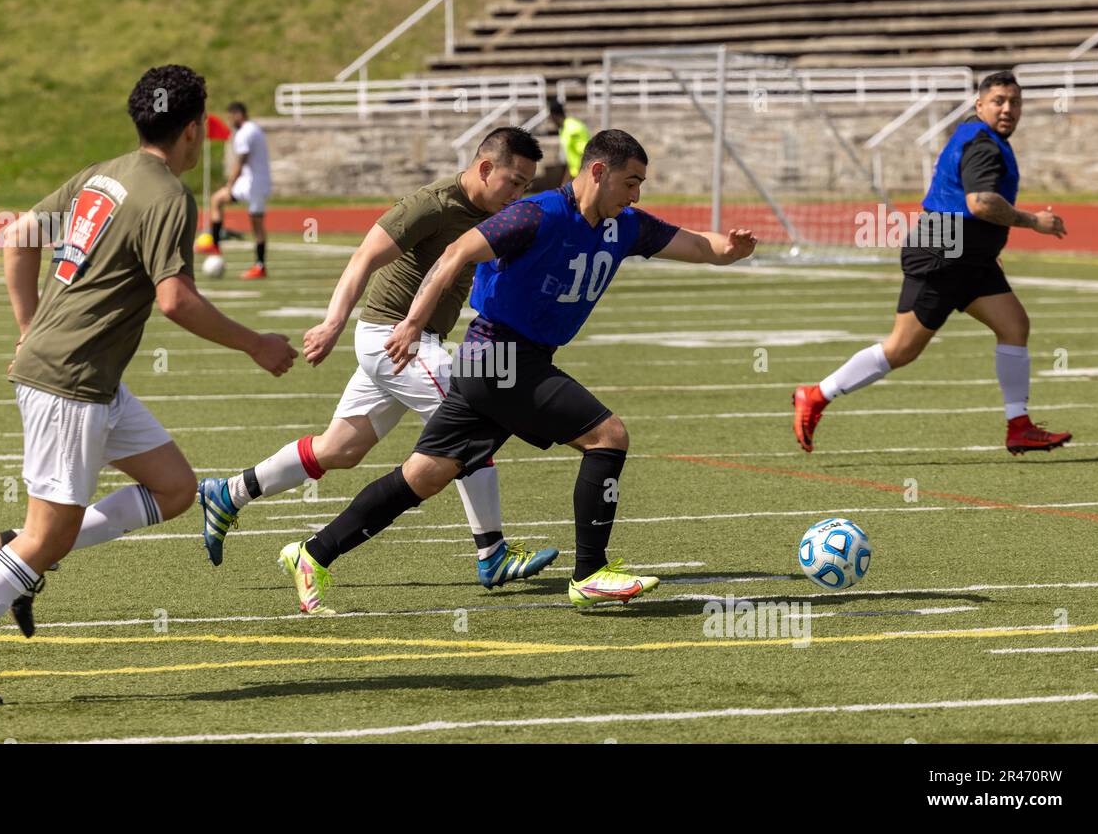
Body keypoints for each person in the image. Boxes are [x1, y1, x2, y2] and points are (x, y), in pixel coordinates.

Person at [0, 65, 297, 706]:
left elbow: (19, 235)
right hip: (70, 384)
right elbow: (176, 301)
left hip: (88, 379)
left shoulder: (103, 174)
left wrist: (28, 326)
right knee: (48, 536)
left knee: (173, 488)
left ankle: (15, 549)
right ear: (193, 131)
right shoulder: (168, 196)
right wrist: (257, 344)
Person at [272, 130, 757, 614]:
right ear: (598, 172)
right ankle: (590, 572)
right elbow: (455, 254)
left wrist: (728, 250)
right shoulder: (537, 212)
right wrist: (414, 323)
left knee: (426, 474)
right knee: (608, 436)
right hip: (498, 356)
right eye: (631, 182)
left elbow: (695, 245)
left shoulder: (624, 226)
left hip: (514, 360)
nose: (636, 194)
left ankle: (313, 552)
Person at [197, 128, 560, 591]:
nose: (519, 193)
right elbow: (364, 257)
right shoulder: (433, 204)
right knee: (472, 421)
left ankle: (230, 492)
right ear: (485, 168)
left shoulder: (491, 211)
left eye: (526, 185)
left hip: (408, 344)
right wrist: (332, 323)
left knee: (340, 449)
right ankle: (492, 553)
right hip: (393, 338)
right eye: (514, 181)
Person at [792, 72, 1072, 456]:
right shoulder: (984, 146)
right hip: (943, 253)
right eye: (998, 101)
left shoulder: (976, 134)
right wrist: (1033, 221)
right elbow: (980, 203)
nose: (1008, 109)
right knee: (902, 349)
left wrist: (985, 248)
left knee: (1014, 325)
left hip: (965, 254)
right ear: (979, 106)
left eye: (1014, 102)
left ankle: (1018, 426)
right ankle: (815, 395)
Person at [205, 101, 272, 279]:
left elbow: (240, 162)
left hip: (254, 184)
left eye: (230, 116)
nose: (229, 120)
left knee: (256, 225)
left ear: (238, 114)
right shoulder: (253, 129)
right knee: (217, 200)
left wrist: (230, 184)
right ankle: (216, 246)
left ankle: (260, 266)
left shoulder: (245, 132)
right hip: (252, 182)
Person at [549, 100, 590, 182]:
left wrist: (580, 180)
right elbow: (572, 160)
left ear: (553, 116)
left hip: (584, 175)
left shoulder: (573, 128)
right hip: (576, 175)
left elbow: (585, 154)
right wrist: (565, 183)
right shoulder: (563, 130)